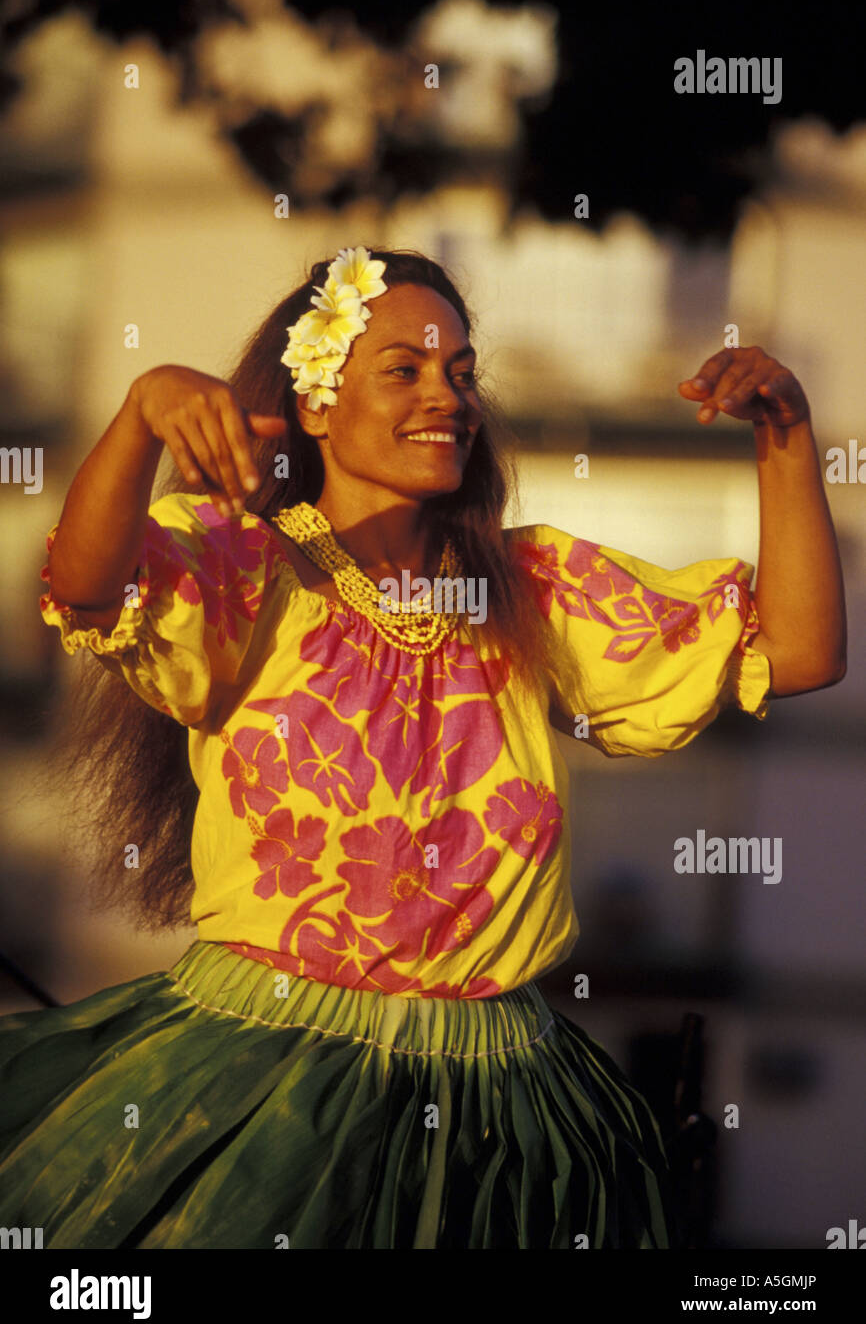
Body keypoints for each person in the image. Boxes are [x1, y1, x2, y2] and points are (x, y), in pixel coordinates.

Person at [0, 246, 846, 1250]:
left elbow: (795, 651)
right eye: (402, 369)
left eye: (458, 371)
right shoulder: (244, 563)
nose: (443, 395)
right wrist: (143, 411)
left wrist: (786, 437)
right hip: (265, 1086)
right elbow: (87, 589)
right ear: (316, 404)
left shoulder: (531, 586)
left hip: (507, 1115)